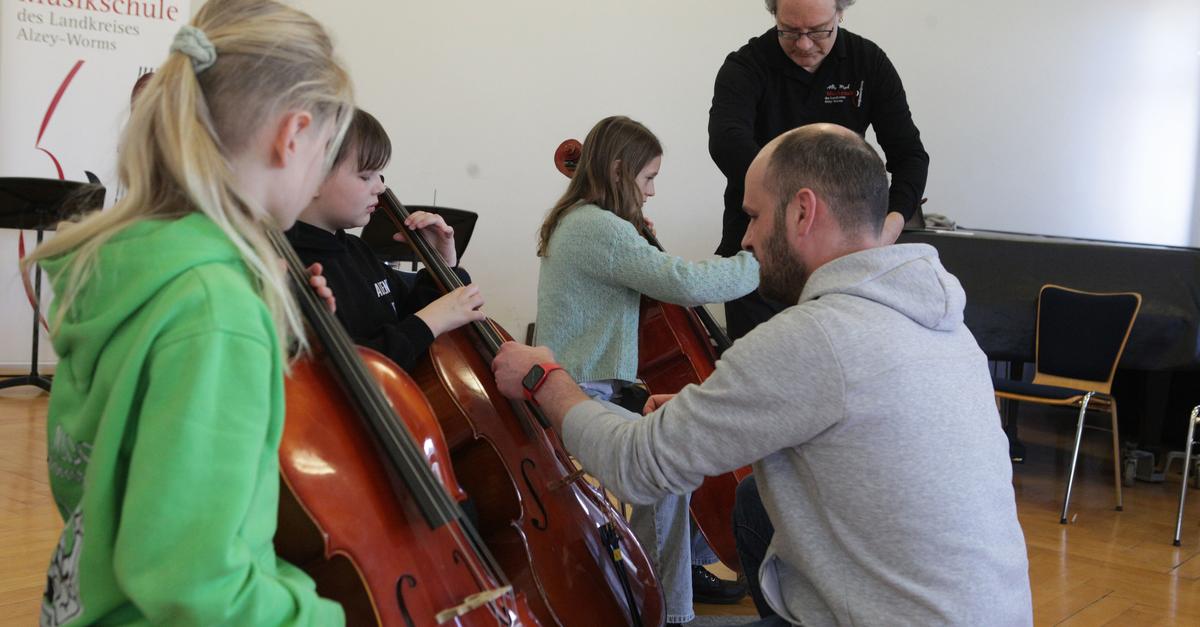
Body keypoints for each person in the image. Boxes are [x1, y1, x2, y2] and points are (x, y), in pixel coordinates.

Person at [497, 123, 1031, 626]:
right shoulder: (948, 327)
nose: (747, 239)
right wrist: (714, 407)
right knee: (753, 501)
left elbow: (638, 466)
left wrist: (546, 377)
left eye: (752, 216)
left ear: (803, 212)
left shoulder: (814, 337)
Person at [24, 1, 353, 624]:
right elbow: (194, 580)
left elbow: (101, 477)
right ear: (292, 135)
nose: (319, 175)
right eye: (326, 151)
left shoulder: (128, 264)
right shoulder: (215, 308)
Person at [534, 115, 759, 624]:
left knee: (697, 434)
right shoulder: (597, 226)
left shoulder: (585, 221)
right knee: (667, 461)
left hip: (599, 391)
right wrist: (761, 261)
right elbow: (683, 282)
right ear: (619, 171)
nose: (652, 191)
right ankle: (668, 613)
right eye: (648, 178)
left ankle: (672, 576)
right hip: (584, 395)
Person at [709, 0, 928, 339]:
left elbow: (910, 156)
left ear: (840, 12)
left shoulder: (868, 63)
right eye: (790, 31)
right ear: (774, 15)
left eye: (818, 31)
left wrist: (888, 227)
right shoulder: (746, 66)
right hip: (761, 261)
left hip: (842, 264)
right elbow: (726, 141)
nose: (804, 44)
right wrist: (792, 206)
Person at [286, 108, 485, 372]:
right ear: (313, 178)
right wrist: (431, 320)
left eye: (380, 175)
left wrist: (442, 266)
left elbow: (406, 317)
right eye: (366, 175)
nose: (380, 187)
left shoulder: (355, 249)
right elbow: (347, 368)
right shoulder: (293, 264)